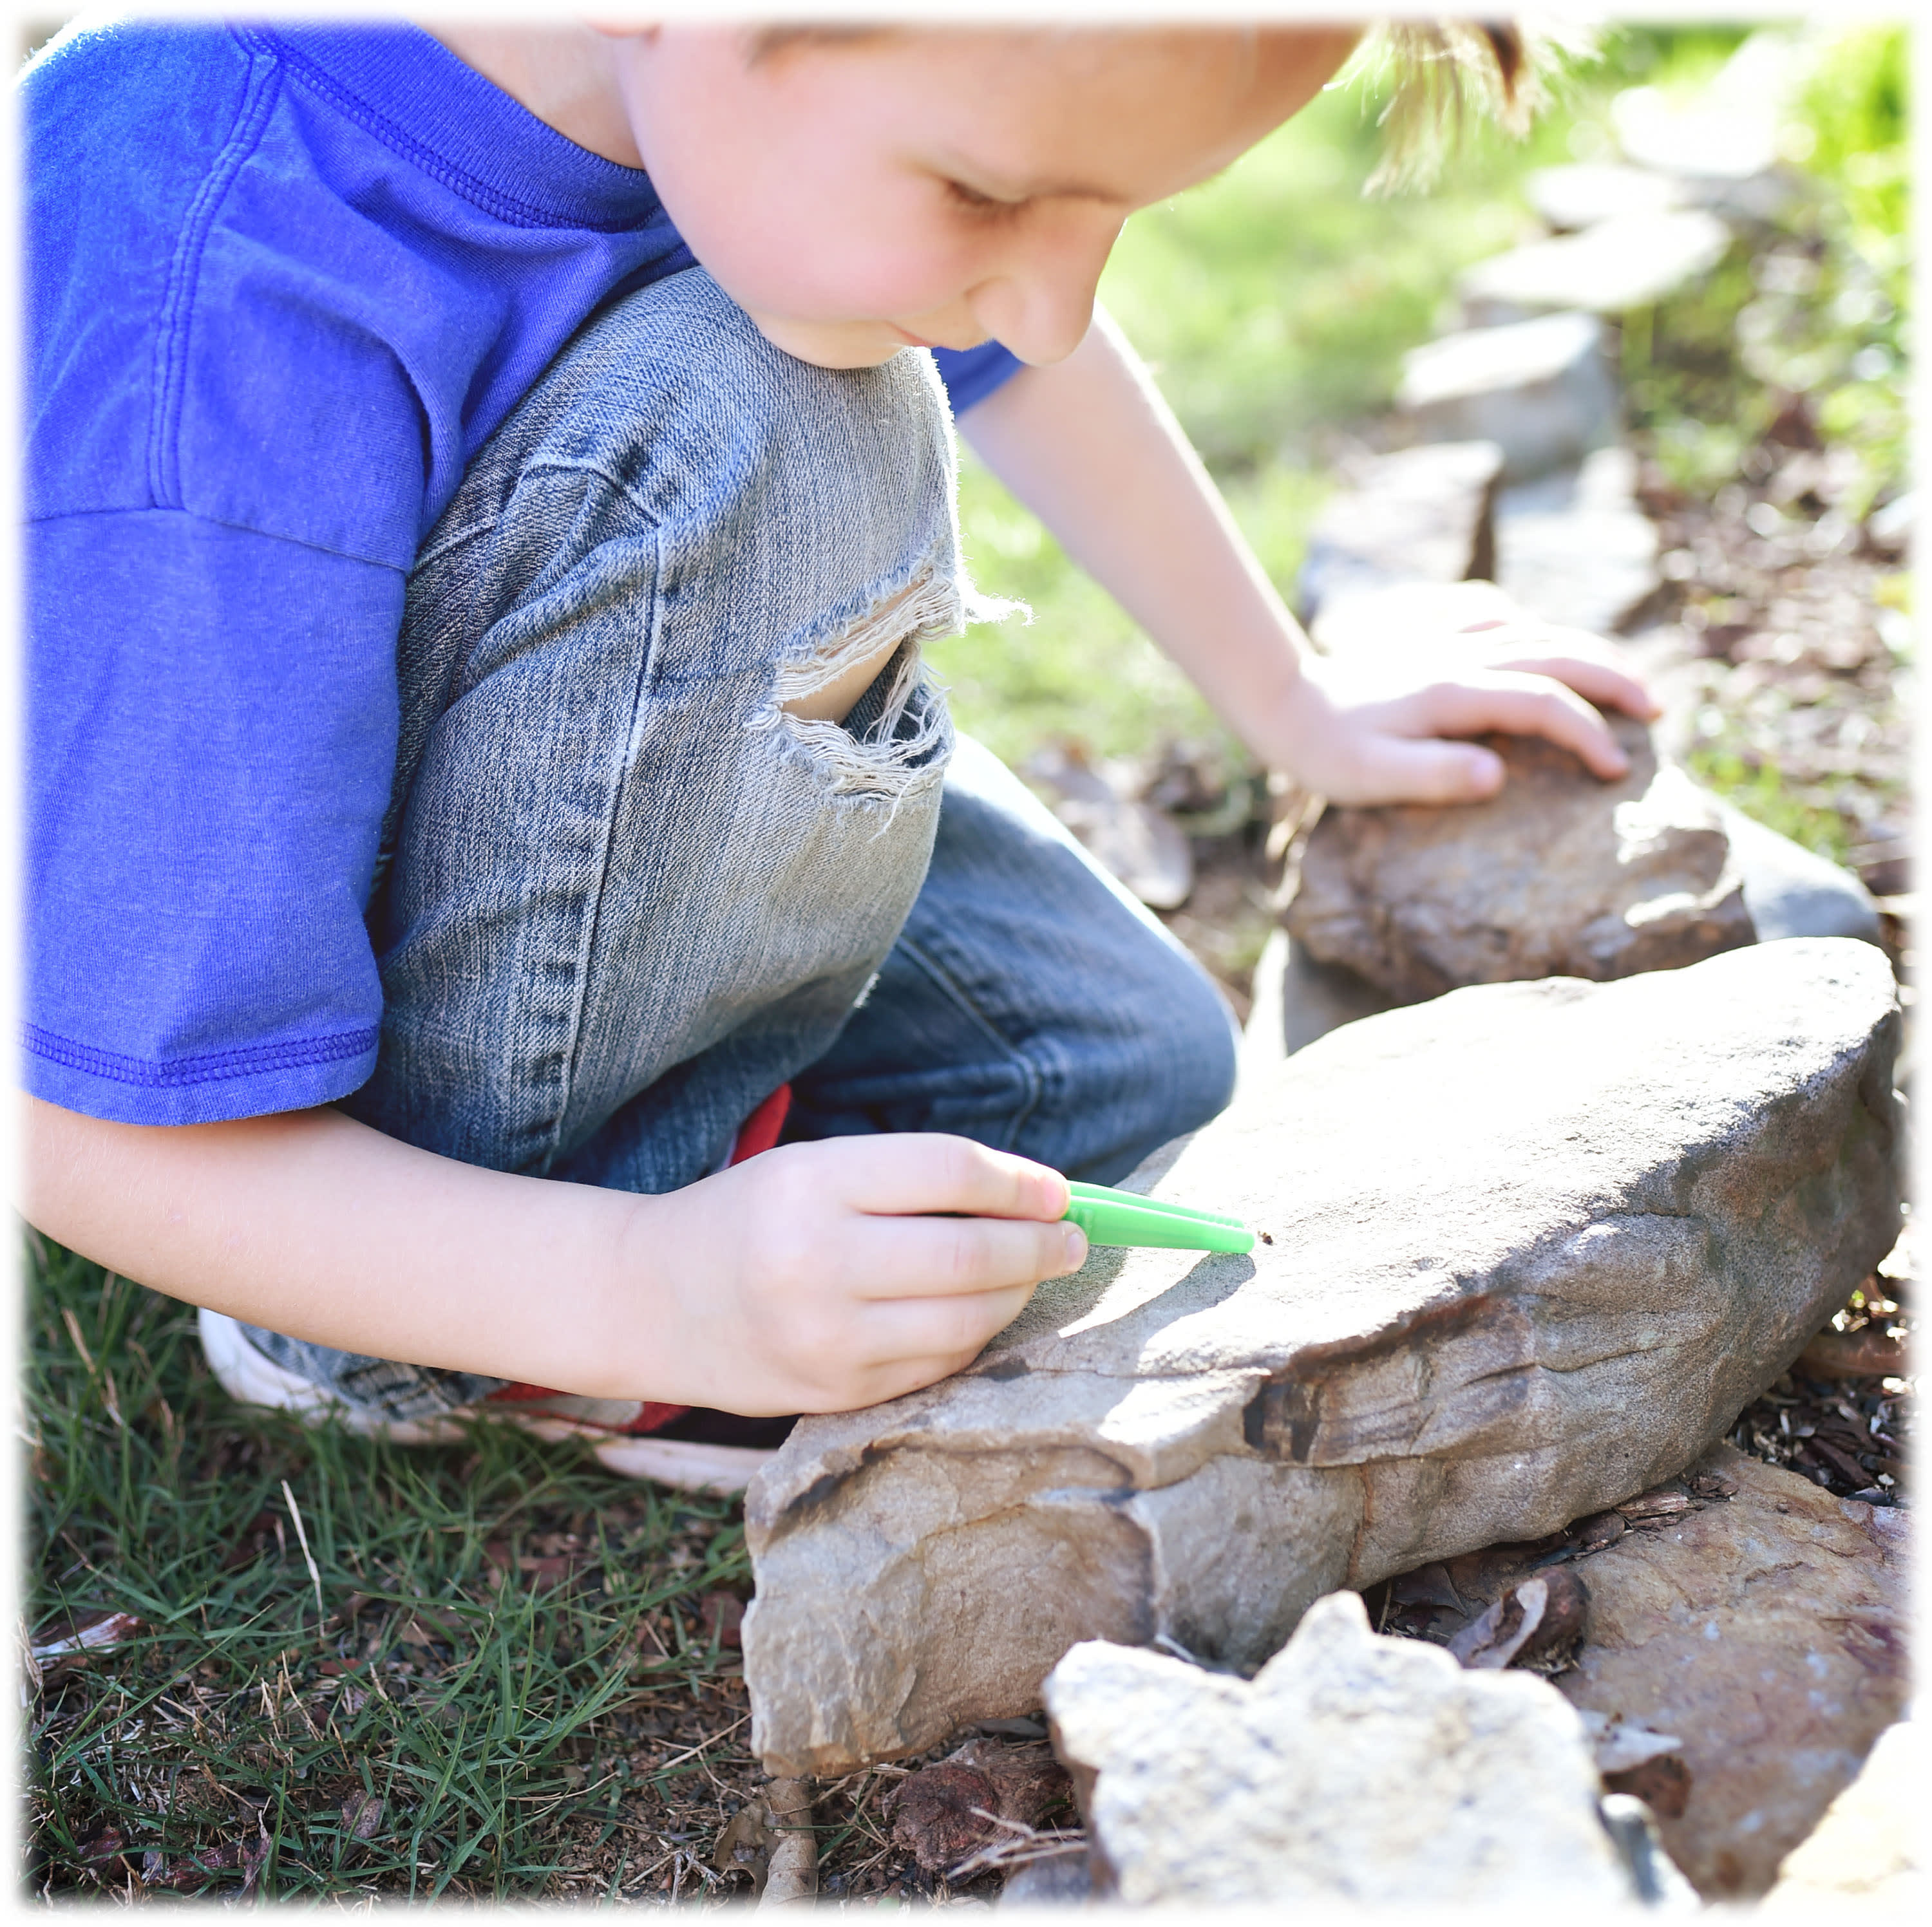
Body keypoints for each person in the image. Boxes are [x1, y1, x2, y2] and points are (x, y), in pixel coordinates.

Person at [18, 17, 1660, 1492]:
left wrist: (1298, 702)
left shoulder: (708, 105)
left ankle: (680, 1177)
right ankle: (417, 1316)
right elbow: (77, 1135)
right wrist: (654, 1295)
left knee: (1114, 1070)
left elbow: (1026, 356)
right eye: (985, 195)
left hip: (522, 792)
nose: (1056, 295)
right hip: (230, 1028)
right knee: (777, 407)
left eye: (1120, 213)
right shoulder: (206, 241)